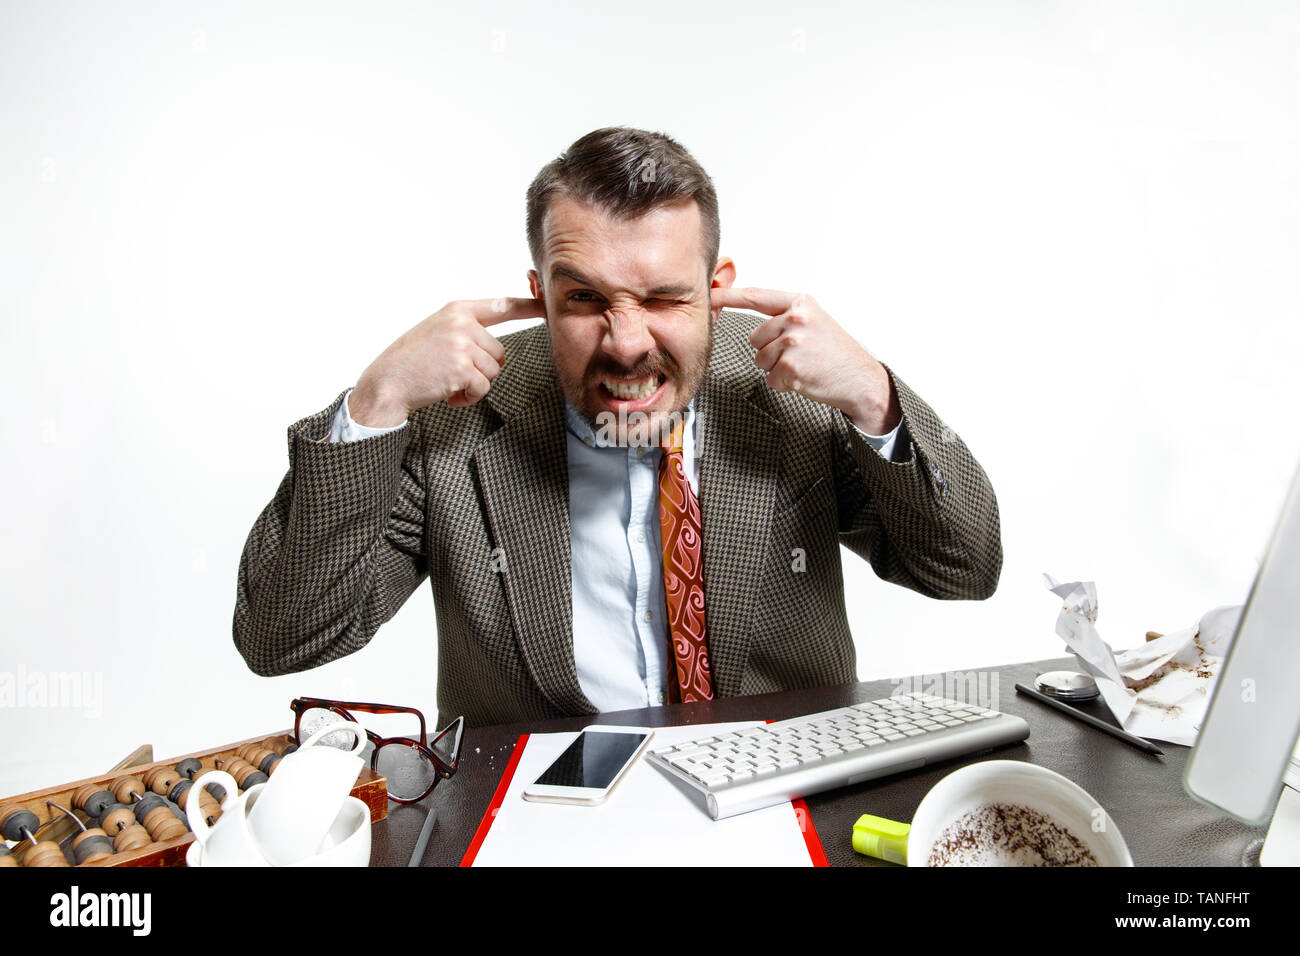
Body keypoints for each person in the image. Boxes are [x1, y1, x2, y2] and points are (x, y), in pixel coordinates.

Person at [233, 126, 1002, 727]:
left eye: (665, 298)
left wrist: (874, 397)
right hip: (541, 818)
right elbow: (281, 638)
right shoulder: (452, 424)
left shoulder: (793, 395)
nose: (627, 341)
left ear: (715, 288)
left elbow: (964, 570)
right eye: (586, 300)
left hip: (781, 786)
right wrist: (374, 405)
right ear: (540, 293)